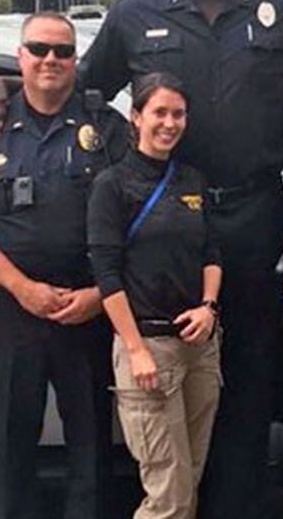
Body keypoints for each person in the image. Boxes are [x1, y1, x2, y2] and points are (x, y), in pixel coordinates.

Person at [0, 0, 283, 515]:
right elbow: (76, 86)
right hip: (162, 227)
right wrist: (2, 82)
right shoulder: (135, 10)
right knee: (168, 384)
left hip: (254, 221)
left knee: (247, 386)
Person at [0, 12, 127, 519]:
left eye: (63, 51)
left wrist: (99, 294)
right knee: (10, 446)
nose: (51, 59)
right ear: (20, 57)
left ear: (76, 60)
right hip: (12, 310)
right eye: (39, 49)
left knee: (91, 450)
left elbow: (135, 219)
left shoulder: (108, 129)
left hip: (88, 310)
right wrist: (21, 287)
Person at [87, 72, 222, 519]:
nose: (169, 123)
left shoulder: (192, 180)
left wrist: (209, 308)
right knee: (168, 495)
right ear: (136, 117)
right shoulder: (113, 184)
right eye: (159, 112)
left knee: (190, 480)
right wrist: (135, 348)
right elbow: (107, 274)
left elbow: (211, 251)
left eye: (178, 114)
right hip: (148, 350)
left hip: (198, 347)